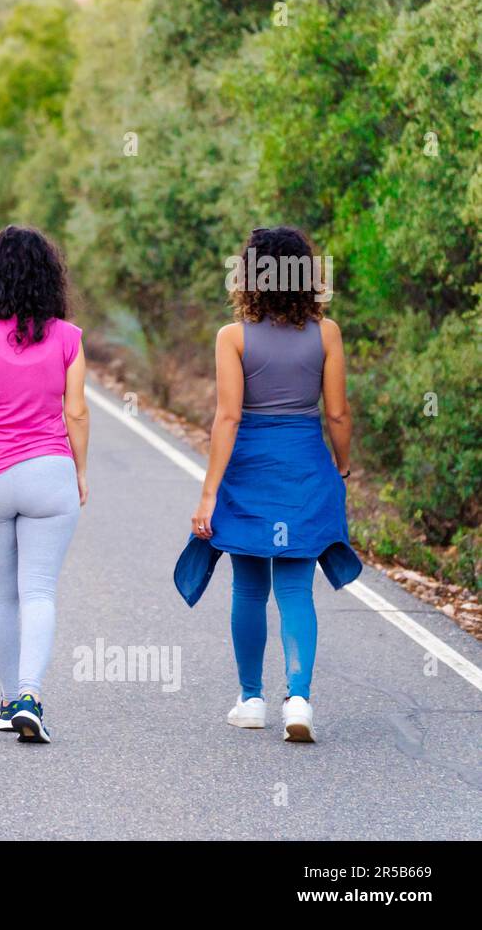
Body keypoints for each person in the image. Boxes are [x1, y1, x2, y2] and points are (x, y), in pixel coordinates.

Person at [183, 225, 359, 743]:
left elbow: (228, 418)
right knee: (296, 589)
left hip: (248, 474)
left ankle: (252, 698)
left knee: (249, 587)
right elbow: (338, 413)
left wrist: (210, 492)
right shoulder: (326, 333)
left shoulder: (233, 337)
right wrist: (342, 467)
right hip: (304, 469)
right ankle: (299, 698)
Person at [0, 225, 89, 744]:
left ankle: (8, 702)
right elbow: (76, 412)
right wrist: (80, 471)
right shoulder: (68, 338)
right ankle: (30, 694)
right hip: (50, 475)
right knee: (41, 590)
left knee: (2, 593)